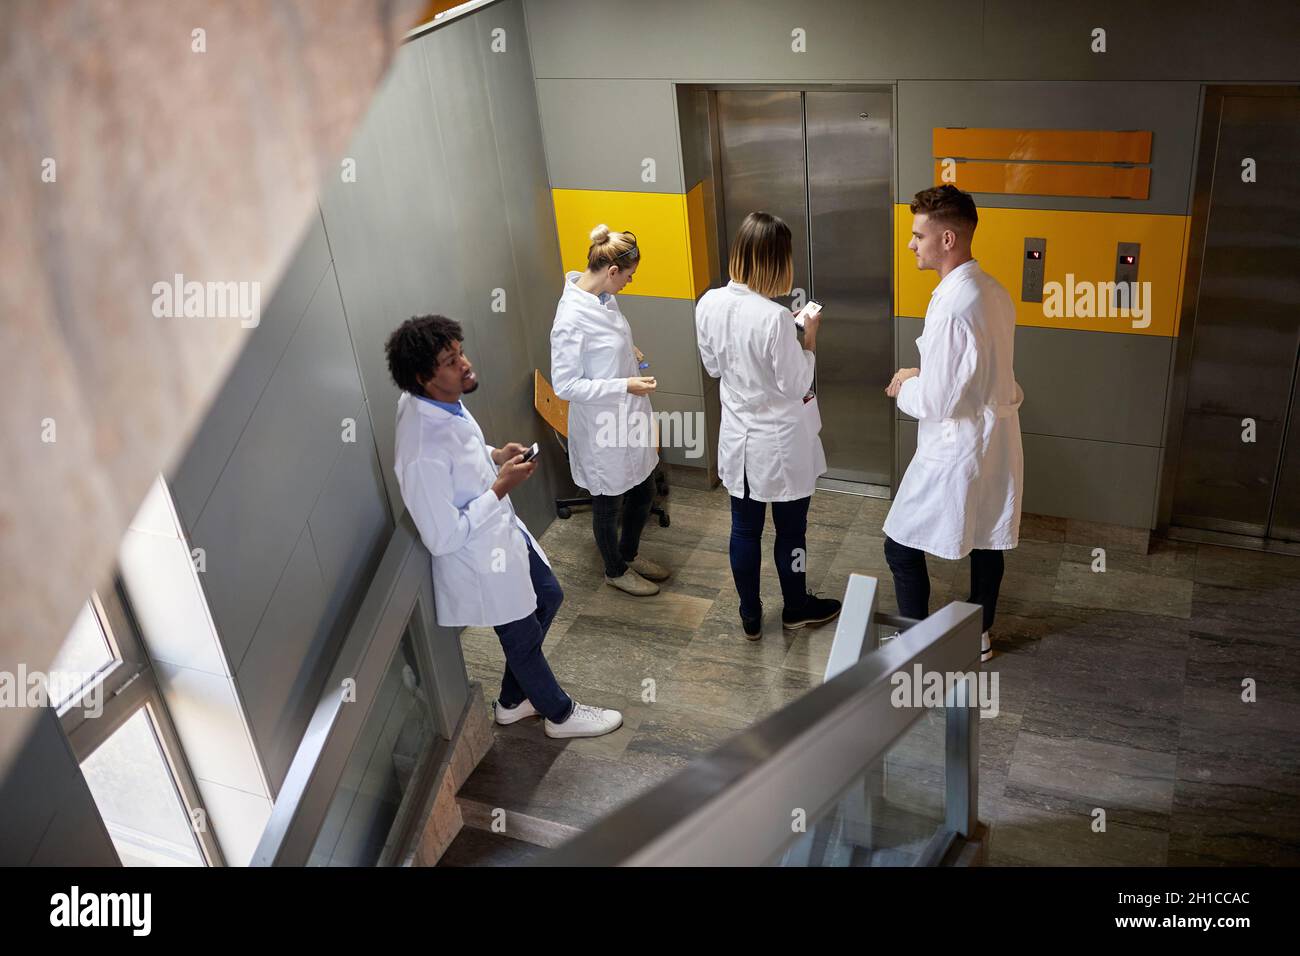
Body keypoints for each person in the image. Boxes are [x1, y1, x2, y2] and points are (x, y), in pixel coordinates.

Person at [387, 315, 622, 738]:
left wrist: (496, 455)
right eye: (450, 360)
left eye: (460, 351)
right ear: (423, 377)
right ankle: (560, 715)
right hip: (478, 560)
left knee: (548, 595)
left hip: (502, 533)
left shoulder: (440, 400)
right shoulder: (420, 450)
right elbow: (441, 538)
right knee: (521, 633)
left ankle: (513, 701)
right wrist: (498, 489)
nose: (465, 364)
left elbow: (465, 451)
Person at [883, 185, 1024, 664]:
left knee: (899, 545)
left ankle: (916, 643)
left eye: (918, 235)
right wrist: (922, 372)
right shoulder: (992, 291)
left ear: (947, 239)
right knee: (987, 539)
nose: (911, 245)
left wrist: (905, 386)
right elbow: (976, 369)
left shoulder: (949, 306)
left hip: (957, 442)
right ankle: (980, 635)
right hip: (996, 439)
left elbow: (941, 400)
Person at [695, 211, 842, 639]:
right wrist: (809, 335)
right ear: (777, 262)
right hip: (779, 443)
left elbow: (712, 366)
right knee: (791, 530)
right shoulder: (776, 318)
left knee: (744, 528)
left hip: (739, 437)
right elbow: (797, 382)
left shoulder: (708, 303)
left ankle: (750, 613)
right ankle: (796, 606)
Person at [550, 224, 670, 597]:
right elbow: (566, 385)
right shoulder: (570, 318)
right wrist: (624, 384)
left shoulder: (603, 298)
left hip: (628, 417)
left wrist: (627, 351)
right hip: (602, 425)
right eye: (629, 277)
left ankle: (629, 554)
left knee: (644, 487)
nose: (630, 284)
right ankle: (615, 570)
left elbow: (605, 343)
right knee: (608, 499)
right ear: (612, 271)